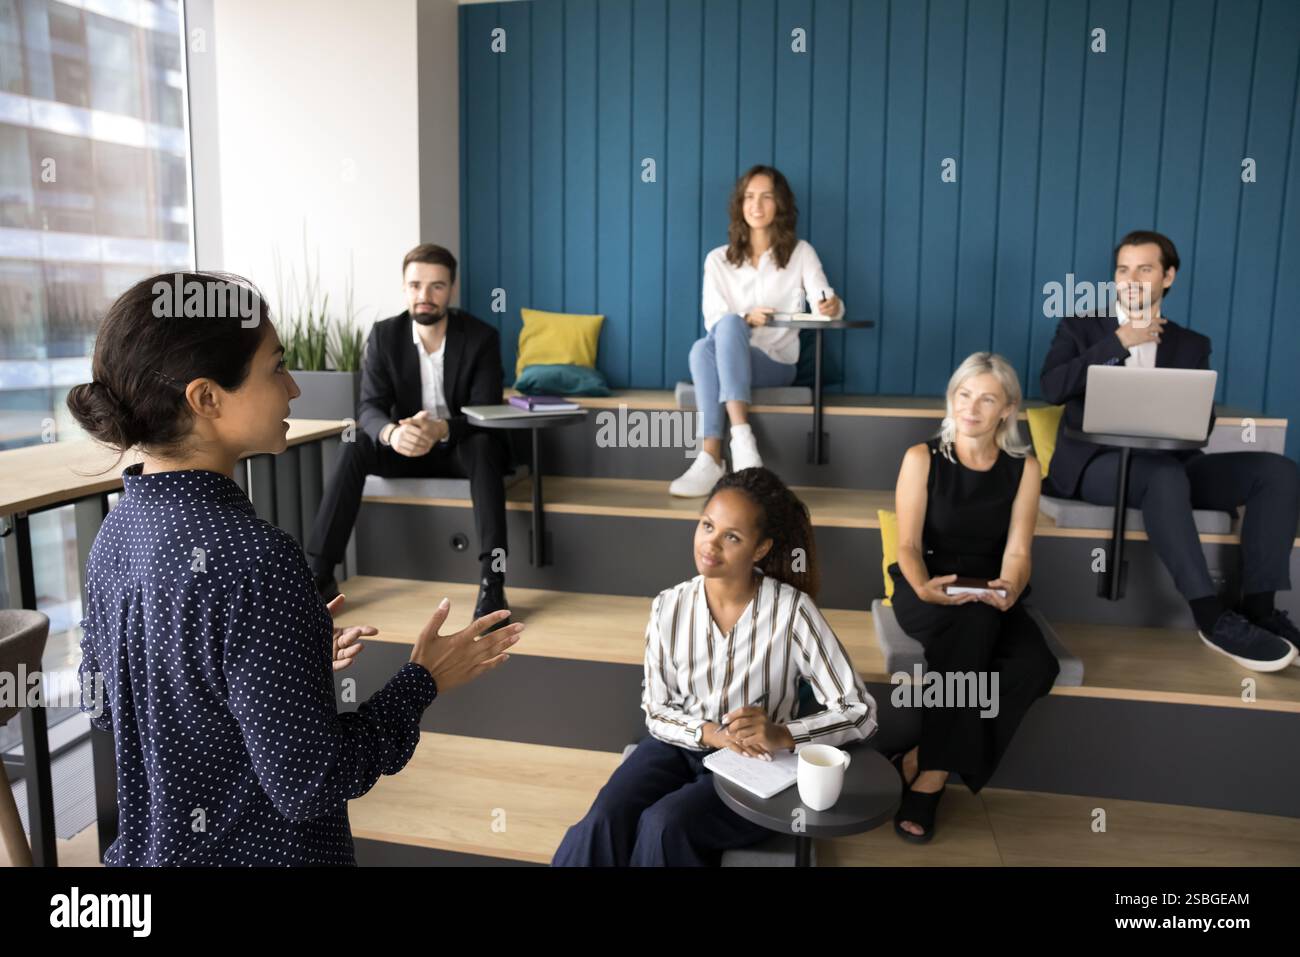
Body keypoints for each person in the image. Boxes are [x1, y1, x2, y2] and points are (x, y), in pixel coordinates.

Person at [68, 272, 523, 865]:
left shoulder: (115, 531)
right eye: (276, 367)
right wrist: (423, 679)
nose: (293, 388)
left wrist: (281, 663)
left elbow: (104, 701)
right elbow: (311, 784)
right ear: (206, 398)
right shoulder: (256, 561)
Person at [553, 467, 876, 866]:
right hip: (677, 745)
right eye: (708, 525)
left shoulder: (792, 611)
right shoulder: (668, 606)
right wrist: (709, 734)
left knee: (665, 825)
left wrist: (782, 734)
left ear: (760, 549)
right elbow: (656, 709)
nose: (711, 544)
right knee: (602, 820)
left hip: (757, 764)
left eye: (732, 537)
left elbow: (859, 711)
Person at [1041, 230, 1299, 671]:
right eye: (1123, 270)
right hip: (1097, 465)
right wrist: (1119, 344)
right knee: (1164, 475)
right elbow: (1051, 388)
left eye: (1145, 268)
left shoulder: (1191, 343)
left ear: (1168, 276)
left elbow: (1203, 424)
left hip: (1171, 463)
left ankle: (1259, 606)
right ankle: (1211, 616)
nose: (1132, 279)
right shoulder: (1080, 328)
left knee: (1277, 471)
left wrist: (1189, 413)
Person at [888, 353, 1059, 843]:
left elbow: (1019, 550)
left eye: (987, 398)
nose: (972, 407)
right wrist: (924, 588)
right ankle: (934, 779)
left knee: (1036, 667)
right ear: (951, 398)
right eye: (964, 395)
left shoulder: (1023, 468)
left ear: (1007, 409)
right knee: (975, 628)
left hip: (990, 589)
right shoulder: (922, 458)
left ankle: (925, 753)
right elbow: (907, 546)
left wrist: (1011, 588)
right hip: (928, 583)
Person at [305, 243, 513, 625]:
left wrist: (442, 428)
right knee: (355, 443)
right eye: (415, 285)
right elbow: (368, 406)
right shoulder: (384, 335)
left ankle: (492, 582)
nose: (424, 296)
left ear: (452, 288)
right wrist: (389, 434)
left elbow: (486, 412)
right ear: (404, 287)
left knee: (485, 445)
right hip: (405, 446)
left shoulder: (482, 337)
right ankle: (320, 574)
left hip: (459, 449)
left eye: (436, 286)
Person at [669, 165, 844, 496]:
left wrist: (831, 305)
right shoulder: (718, 260)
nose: (757, 205)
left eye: (766, 197)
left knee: (703, 349)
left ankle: (716, 453)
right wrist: (746, 317)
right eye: (749, 197)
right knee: (712, 338)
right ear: (740, 204)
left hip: (776, 362)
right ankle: (732, 445)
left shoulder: (800, 253)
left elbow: (824, 297)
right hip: (729, 354)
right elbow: (713, 318)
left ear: (780, 204)